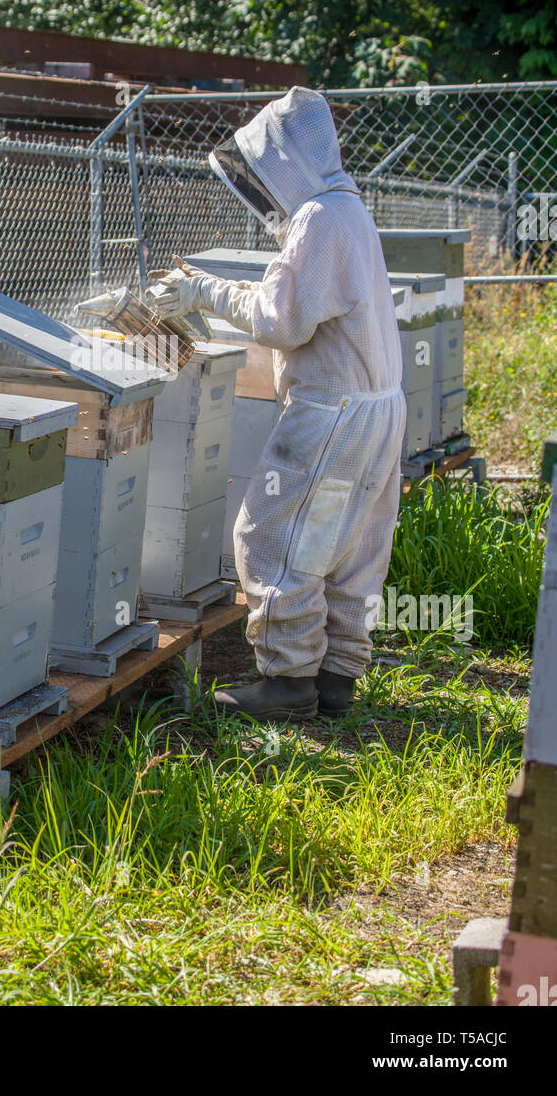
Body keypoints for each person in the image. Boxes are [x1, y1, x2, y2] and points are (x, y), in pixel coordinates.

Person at [151, 86, 405, 723]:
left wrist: (201, 291)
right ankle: (337, 676)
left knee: (271, 534)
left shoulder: (320, 218)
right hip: (377, 406)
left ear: (284, 159)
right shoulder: (347, 210)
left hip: (331, 413)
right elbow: (297, 300)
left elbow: (281, 320)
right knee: (349, 545)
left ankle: (288, 681)